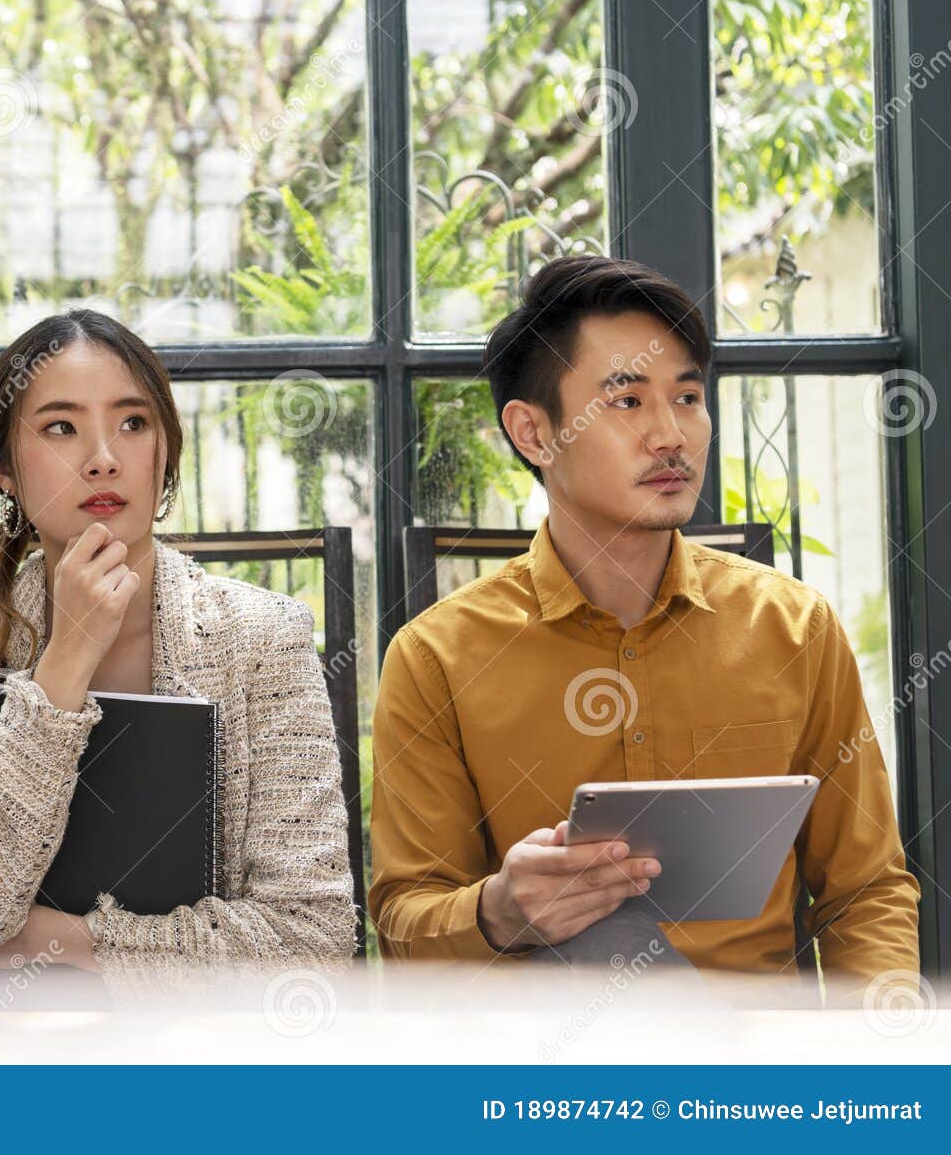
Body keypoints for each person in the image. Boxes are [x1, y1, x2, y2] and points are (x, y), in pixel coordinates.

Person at [369, 256, 919, 1000]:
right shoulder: (435, 657)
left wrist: (876, 1068)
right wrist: (497, 911)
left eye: (688, 396)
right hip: (552, 1079)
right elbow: (404, 923)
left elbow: (866, 889)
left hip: (759, 1075)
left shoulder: (796, 629)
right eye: (626, 401)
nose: (672, 435)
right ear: (534, 433)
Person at [0, 308, 357, 1010]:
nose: (103, 456)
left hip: (198, 1057)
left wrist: (66, 941)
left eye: (133, 423)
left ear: (164, 452)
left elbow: (313, 939)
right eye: (61, 426)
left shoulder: (265, 640)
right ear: (5, 469)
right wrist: (65, 663)